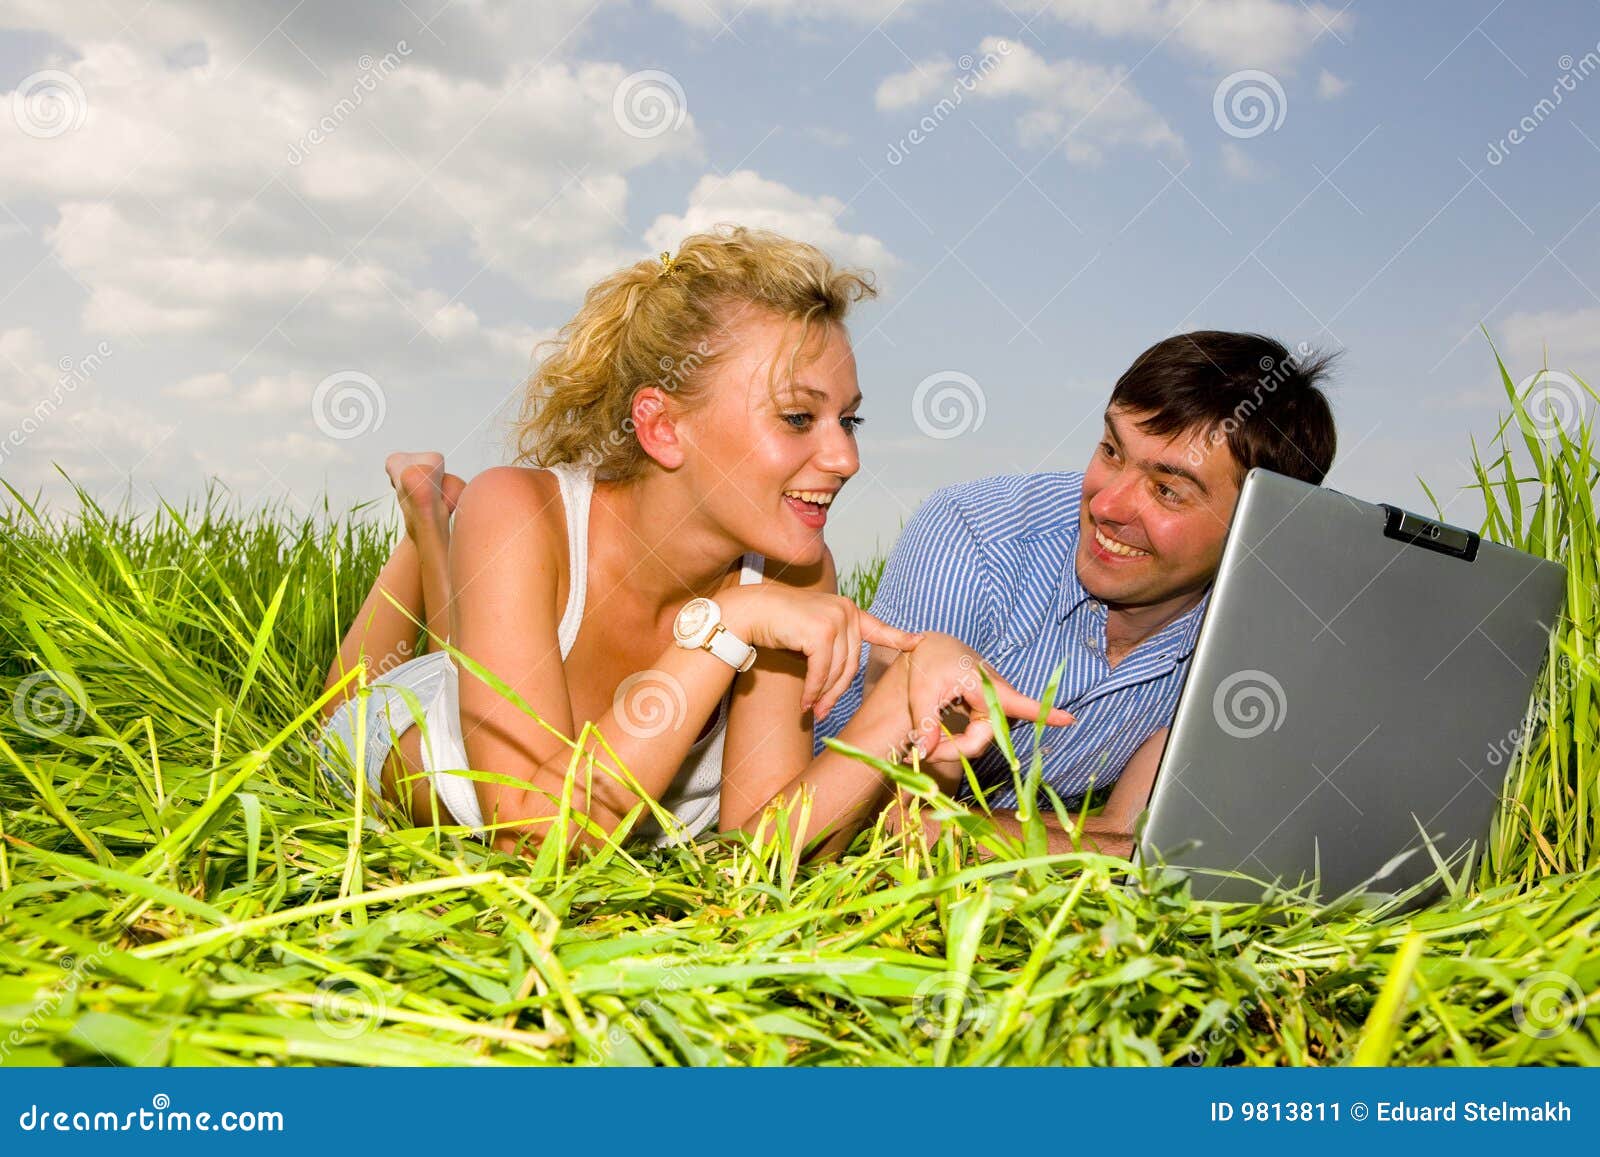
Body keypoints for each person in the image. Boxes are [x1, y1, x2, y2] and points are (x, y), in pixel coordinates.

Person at [316, 226, 1070, 857]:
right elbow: (533, 839)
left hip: (545, 716)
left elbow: (760, 846)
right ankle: (427, 522)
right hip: (431, 741)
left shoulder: (795, 572)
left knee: (469, 641)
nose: (846, 458)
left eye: (850, 420)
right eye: (800, 418)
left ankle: (438, 527)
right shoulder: (519, 510)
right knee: (345, 705)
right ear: (662, 426)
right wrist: (729, 626)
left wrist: (896, 706)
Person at [816, 330, 1339, 858]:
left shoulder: (1250, 632)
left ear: (1258, 529)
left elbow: (1143, 837)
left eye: (1166, 490)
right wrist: (1095, 845)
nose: (1108, 504)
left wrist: (1107, 844)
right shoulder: (977, 535)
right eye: (1112, 450)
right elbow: (896, 823)